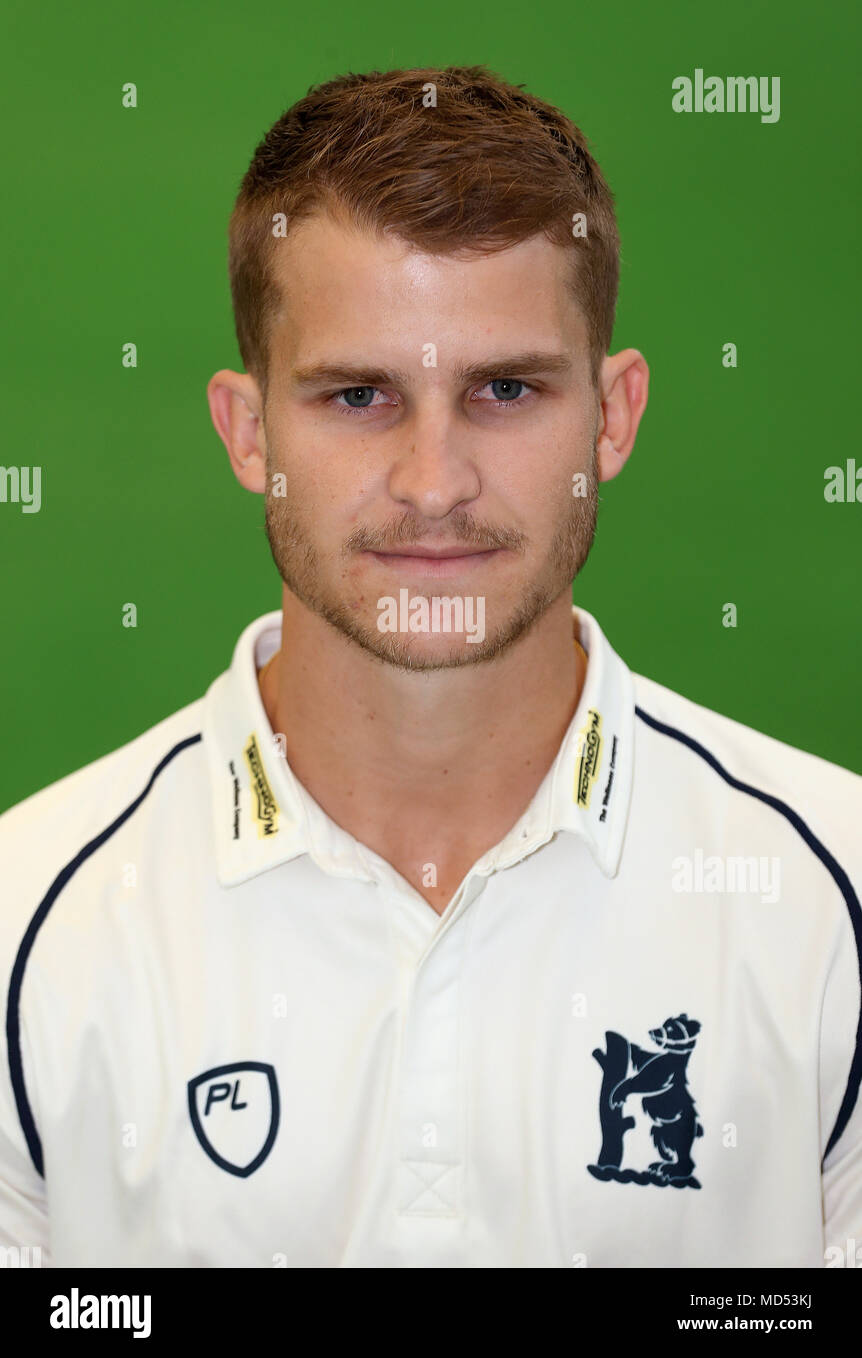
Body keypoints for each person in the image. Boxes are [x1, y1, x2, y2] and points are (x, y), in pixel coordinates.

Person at [1, 66, 859, 1269]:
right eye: (359, 396)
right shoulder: (27, 923)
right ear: (250, 433)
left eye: (505, 389)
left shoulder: (831, 904)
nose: (433, 481)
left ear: (611, 417)